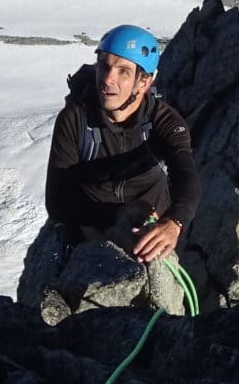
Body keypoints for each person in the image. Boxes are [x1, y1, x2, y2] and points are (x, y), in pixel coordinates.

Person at [44, 24, 199, 266]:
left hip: (149, 237)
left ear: (144, 82)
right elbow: (58, 202)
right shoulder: (75, 119)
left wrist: (174, 222)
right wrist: (117, 217)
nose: (108, 79)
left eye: (123, 71)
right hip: (92, 236)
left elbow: (186, 176)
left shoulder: (163, 121)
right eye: (104, 66)